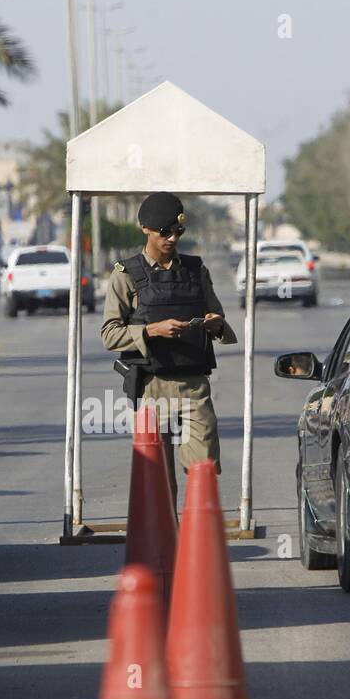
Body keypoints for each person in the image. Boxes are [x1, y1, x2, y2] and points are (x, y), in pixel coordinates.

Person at [100, 191, 236, 496]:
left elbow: (220, 322)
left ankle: (197, 539)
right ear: (145, 229)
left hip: (193, 387)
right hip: (151, 388)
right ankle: (164, 540)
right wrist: (151, 331)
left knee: (204, 469)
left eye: (178, 232)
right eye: (165, 232)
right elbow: (109, 334)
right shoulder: (126, 275)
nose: (172, 238)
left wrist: (215, 324)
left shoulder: (195, 271)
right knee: (156, 477)